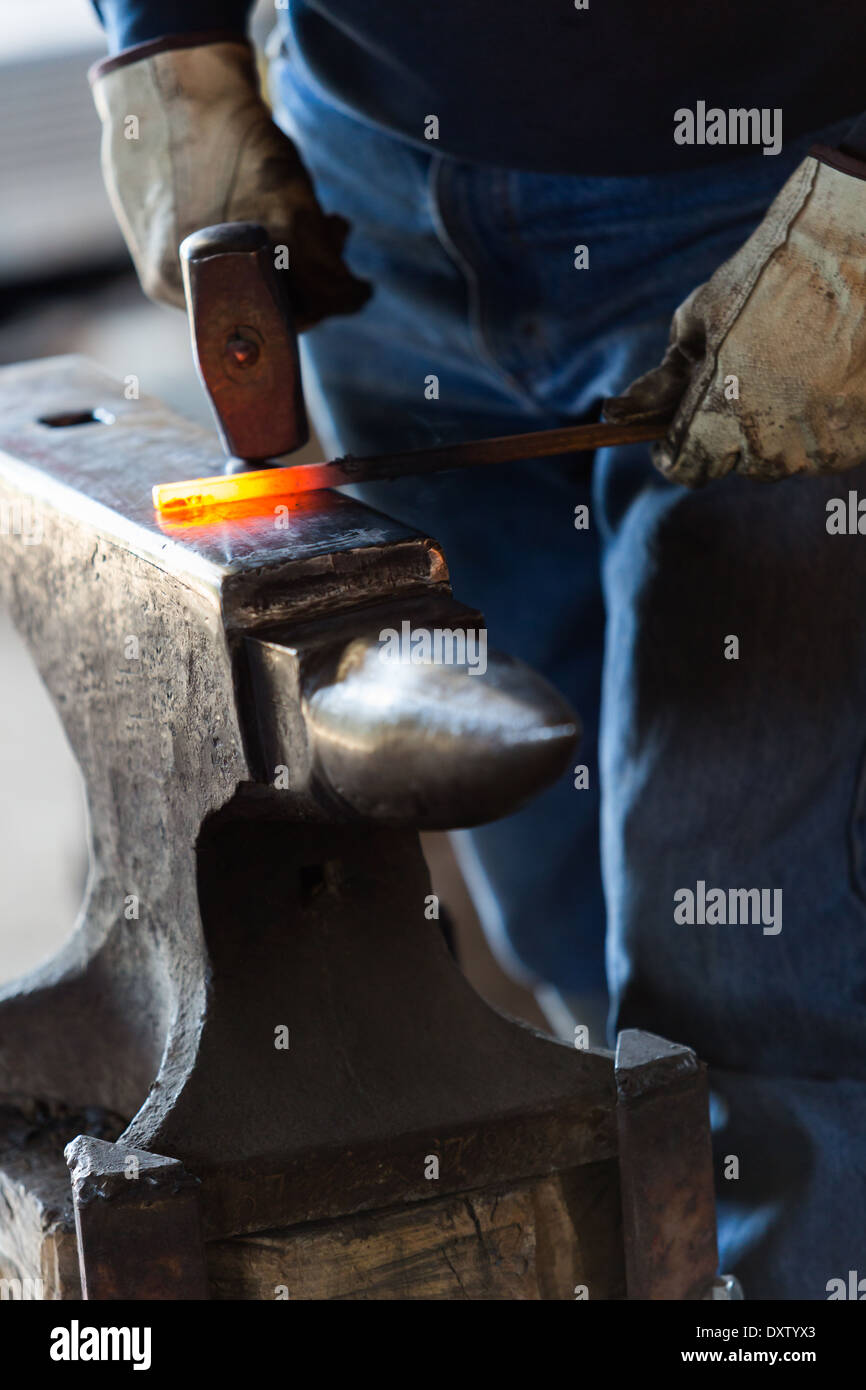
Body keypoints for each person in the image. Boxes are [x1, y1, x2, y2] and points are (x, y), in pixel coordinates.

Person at [88, 2, 866, 1299]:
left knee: (745, 965)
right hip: (360, 194)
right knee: (546, 883)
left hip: (779, 212)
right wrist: (160, 34)